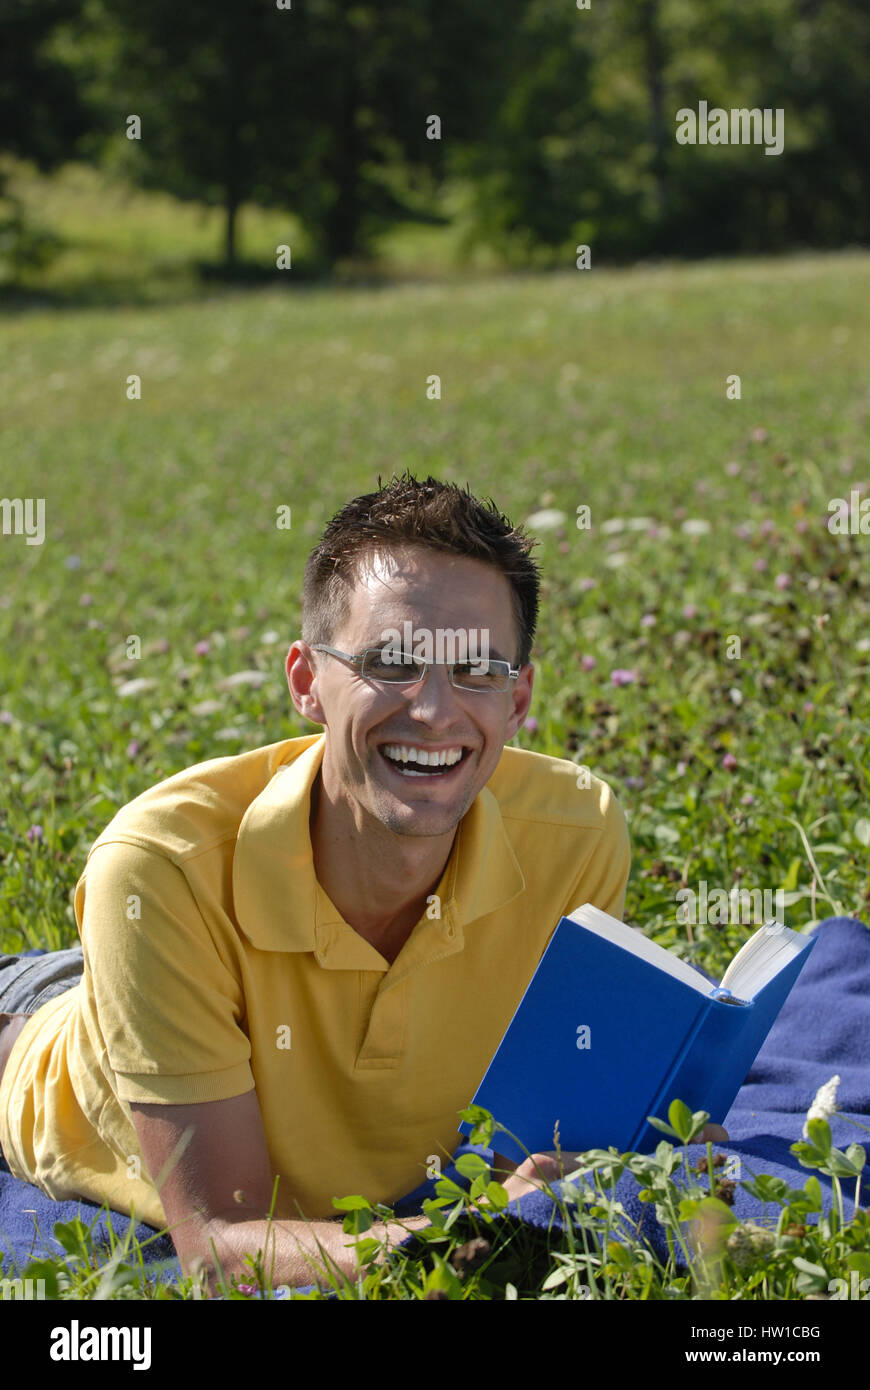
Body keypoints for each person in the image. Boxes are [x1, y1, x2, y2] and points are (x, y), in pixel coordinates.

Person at [0, 474, 722, 1294]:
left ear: (519, 697)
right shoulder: (160, 869)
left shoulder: (578, 833)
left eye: (478, 670)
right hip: (44, 1033)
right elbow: (224, 1244)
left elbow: (557, 1118)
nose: (435, 711)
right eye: (393, 662)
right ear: (307, 681)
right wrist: (479, 1232)